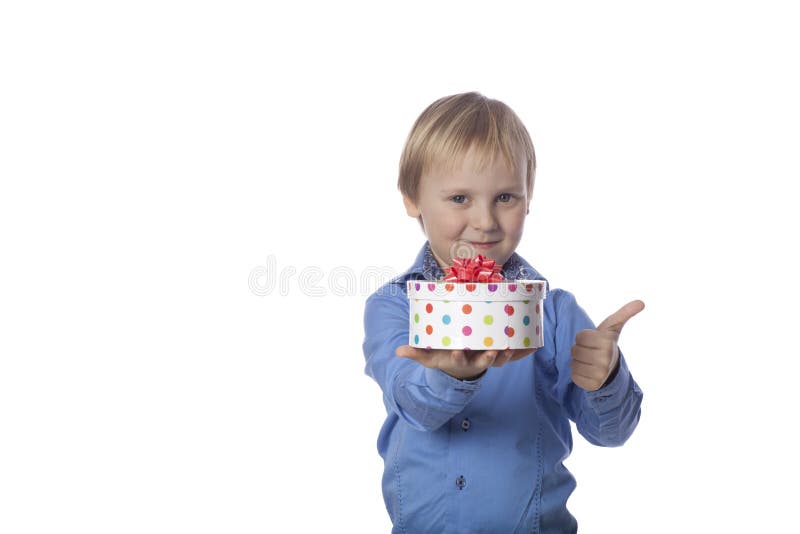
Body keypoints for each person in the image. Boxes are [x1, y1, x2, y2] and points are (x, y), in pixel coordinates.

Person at [362, 91, 644, 533]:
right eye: (459, 198)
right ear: (412, 199)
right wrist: (453, 375)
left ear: (529, 199)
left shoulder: (554, 312)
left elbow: (610, 433)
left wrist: (606, 379)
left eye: (506, 197)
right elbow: (413, 403)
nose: (486, 221)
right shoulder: (396, 306)